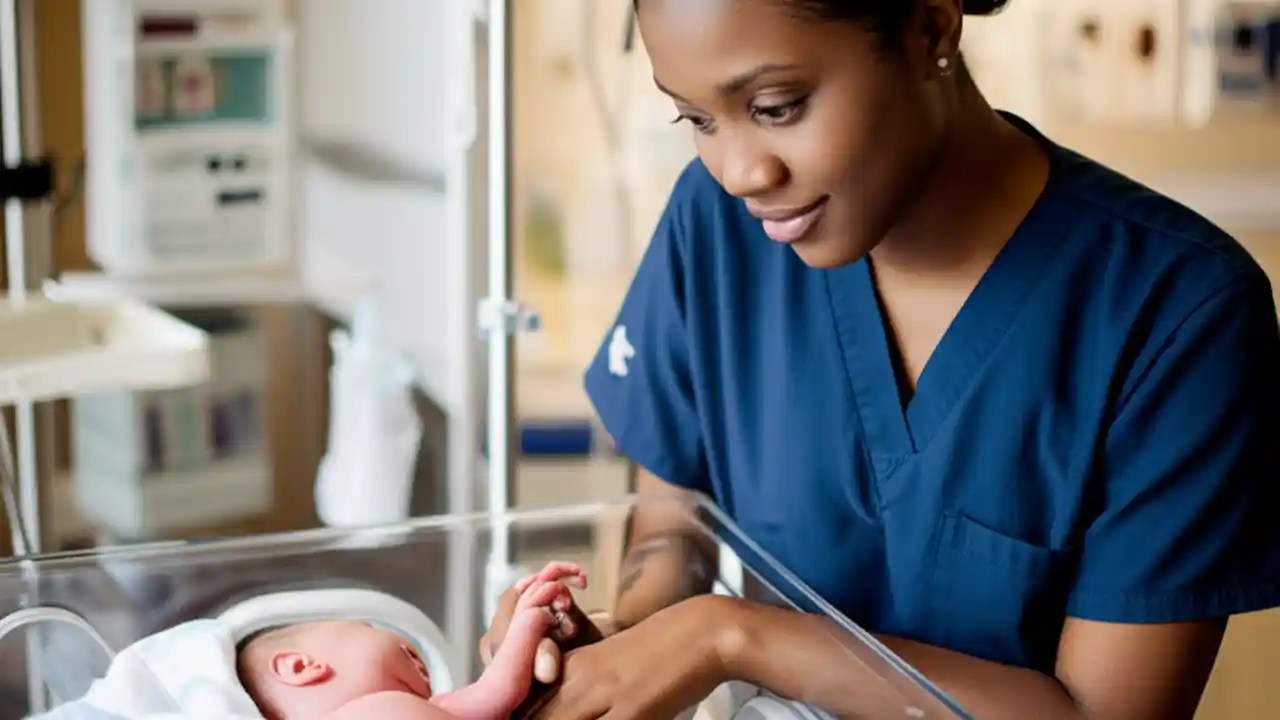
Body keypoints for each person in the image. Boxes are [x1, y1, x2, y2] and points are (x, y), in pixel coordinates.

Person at [482, 0, 1280, 718]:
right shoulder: (717, 231)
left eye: (775, 107)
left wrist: (730, 639)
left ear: (930, 29)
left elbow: (1103, 715)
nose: (740, 172)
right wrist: (619, 642)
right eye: (693, 119)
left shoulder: (1175, 312)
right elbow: (671, 527)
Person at [237, 563, 587, 719]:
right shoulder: (371, 712)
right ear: (301, 666)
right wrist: (531, 619)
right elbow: (493, 696)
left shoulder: (407, 707)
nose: (423, 666)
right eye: (366, 626)